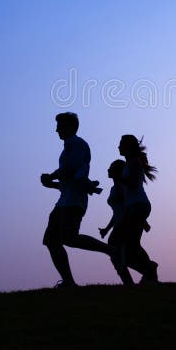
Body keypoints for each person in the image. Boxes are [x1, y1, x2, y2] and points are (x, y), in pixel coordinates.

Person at [41, 112, 110, 288]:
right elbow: (69, 178)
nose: (56, 129)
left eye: (60, 125)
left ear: (71, 127)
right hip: (65, 200)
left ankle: (110, 250)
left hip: (73, 202)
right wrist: (53, 183)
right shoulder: (69, 147)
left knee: (69, 238)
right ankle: (69, 282)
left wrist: (51, 176)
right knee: (51, 240)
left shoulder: (77, 145)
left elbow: (71, 172)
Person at [98, 159, 156, 283]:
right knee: (123, 252)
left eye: (111, 168)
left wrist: (143, 221)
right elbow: (116, 212)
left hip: (126, 220)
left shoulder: (121, 187)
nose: (108, 170)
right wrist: (107, 229)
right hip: (120, 222)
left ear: (118, 171)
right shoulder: (115, 188)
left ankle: (146, 271)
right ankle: (146, 272)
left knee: (124, 249)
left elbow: (127, 205)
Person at [114, 134, 159, 284]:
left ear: (127, 147)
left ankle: (149, 270)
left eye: (121, 144)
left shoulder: (134, 163)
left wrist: (119, 177)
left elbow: (133, 184)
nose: (118, 147)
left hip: (138, 205)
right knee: (127, 243)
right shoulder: (130, 163)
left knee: (130, 243)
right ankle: (149, 270)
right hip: (134, 206)